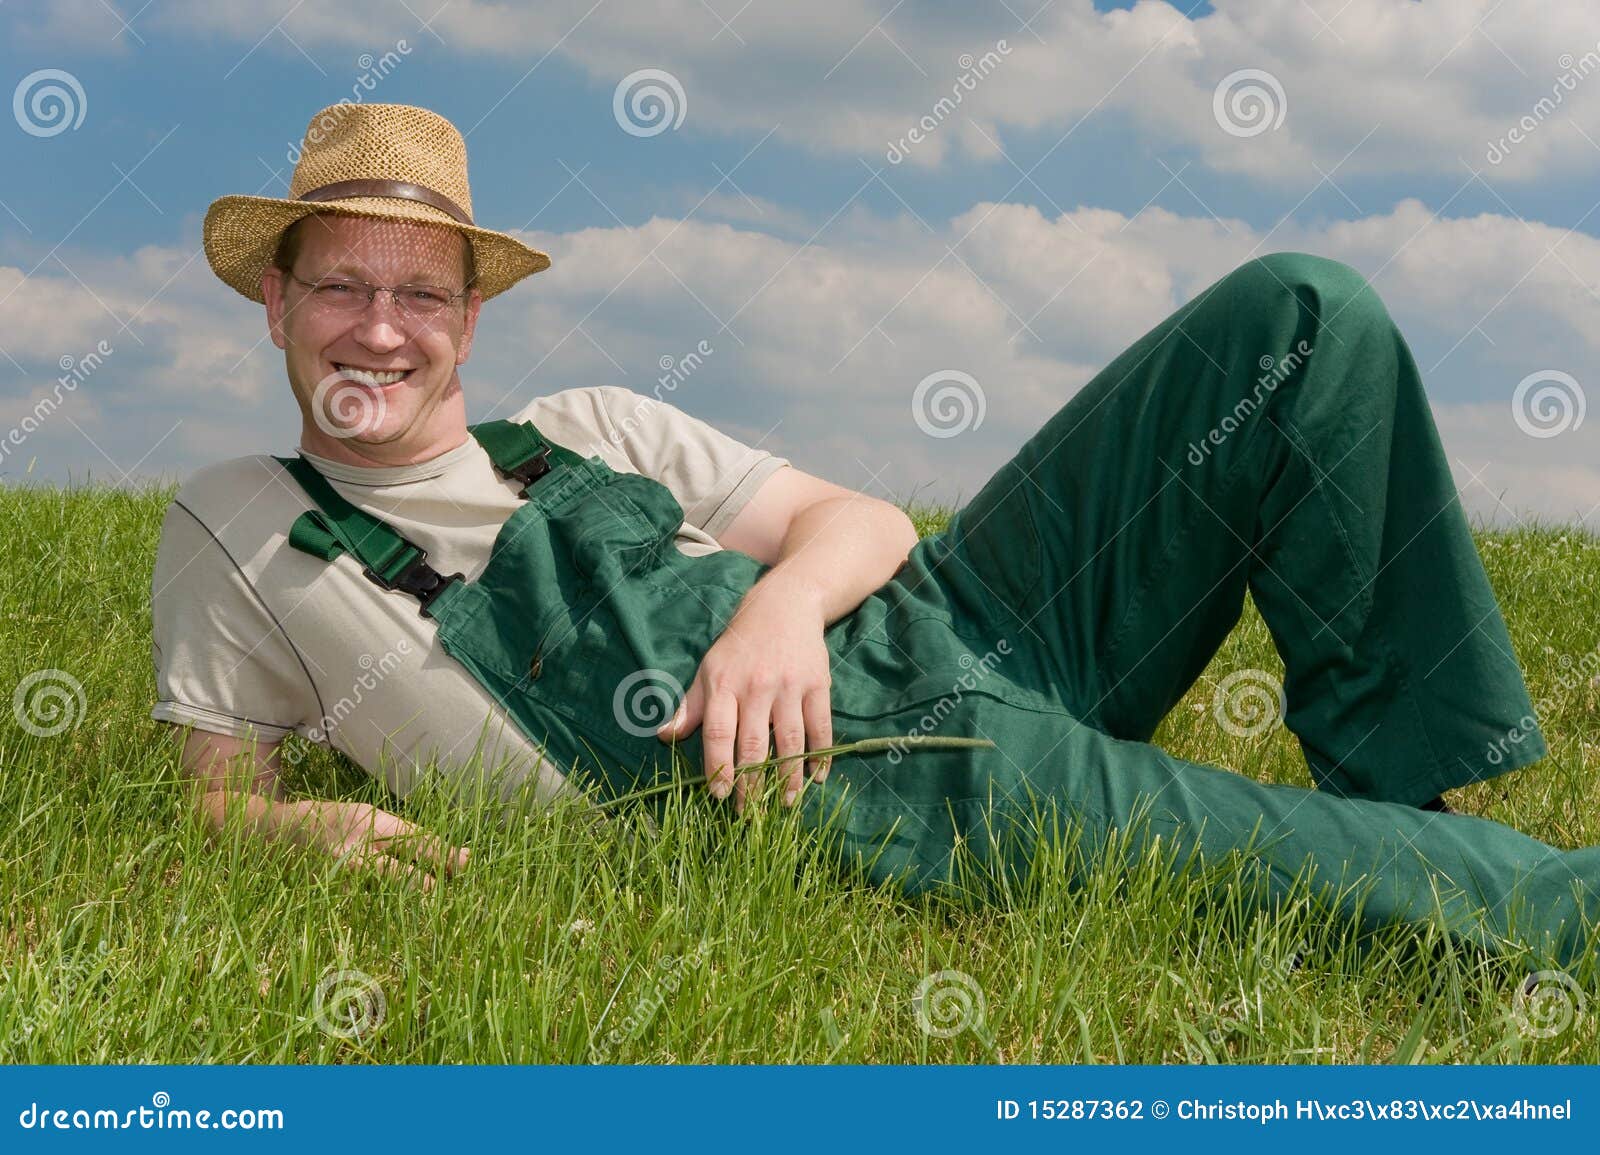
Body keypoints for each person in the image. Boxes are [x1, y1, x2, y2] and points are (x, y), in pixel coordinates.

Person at [155, 102, 1598, 968]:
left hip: (964, 621)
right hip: (876, 781)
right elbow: (220, 796)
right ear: (273, 303)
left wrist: (782, 607)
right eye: (342, 285)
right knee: (1309, 864)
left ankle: (1407, 797)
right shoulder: (240, 525)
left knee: (1299, 319)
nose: (383, 328)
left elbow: (856, 522)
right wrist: (295, 828)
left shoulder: (589, 419)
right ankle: (1511, 899)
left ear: (472, 316)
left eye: (422, 293)